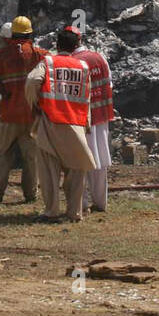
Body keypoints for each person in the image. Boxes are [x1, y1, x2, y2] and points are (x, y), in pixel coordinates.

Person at [25, 26, 95, 222]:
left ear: (57, 44)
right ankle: (75, 212)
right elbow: (87, 97)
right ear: (76, 46)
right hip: (76, 123)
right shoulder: (83, 67)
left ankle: (52, 211)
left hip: (51, 121)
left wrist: (35, 104)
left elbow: (31, 81)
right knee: (77, 169)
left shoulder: (48, 62)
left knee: (48, 168)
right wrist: (87, 123)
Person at [0, 15, 44, 205]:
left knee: (2, 155)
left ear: (11, 34)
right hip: (32, 115)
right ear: (30, 33)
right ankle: (31, 195)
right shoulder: (39, 54)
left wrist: (1, 88)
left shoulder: (0, 55)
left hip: (10, 114)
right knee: (32, 158)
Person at [69, 26, 114, 213]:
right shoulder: (99, 57)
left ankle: (83, 203)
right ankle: (101, 202)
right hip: (101, 115)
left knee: (82, 161)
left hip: (82, 119)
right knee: (101, 160)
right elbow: (109, 83)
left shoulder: (72, 62)